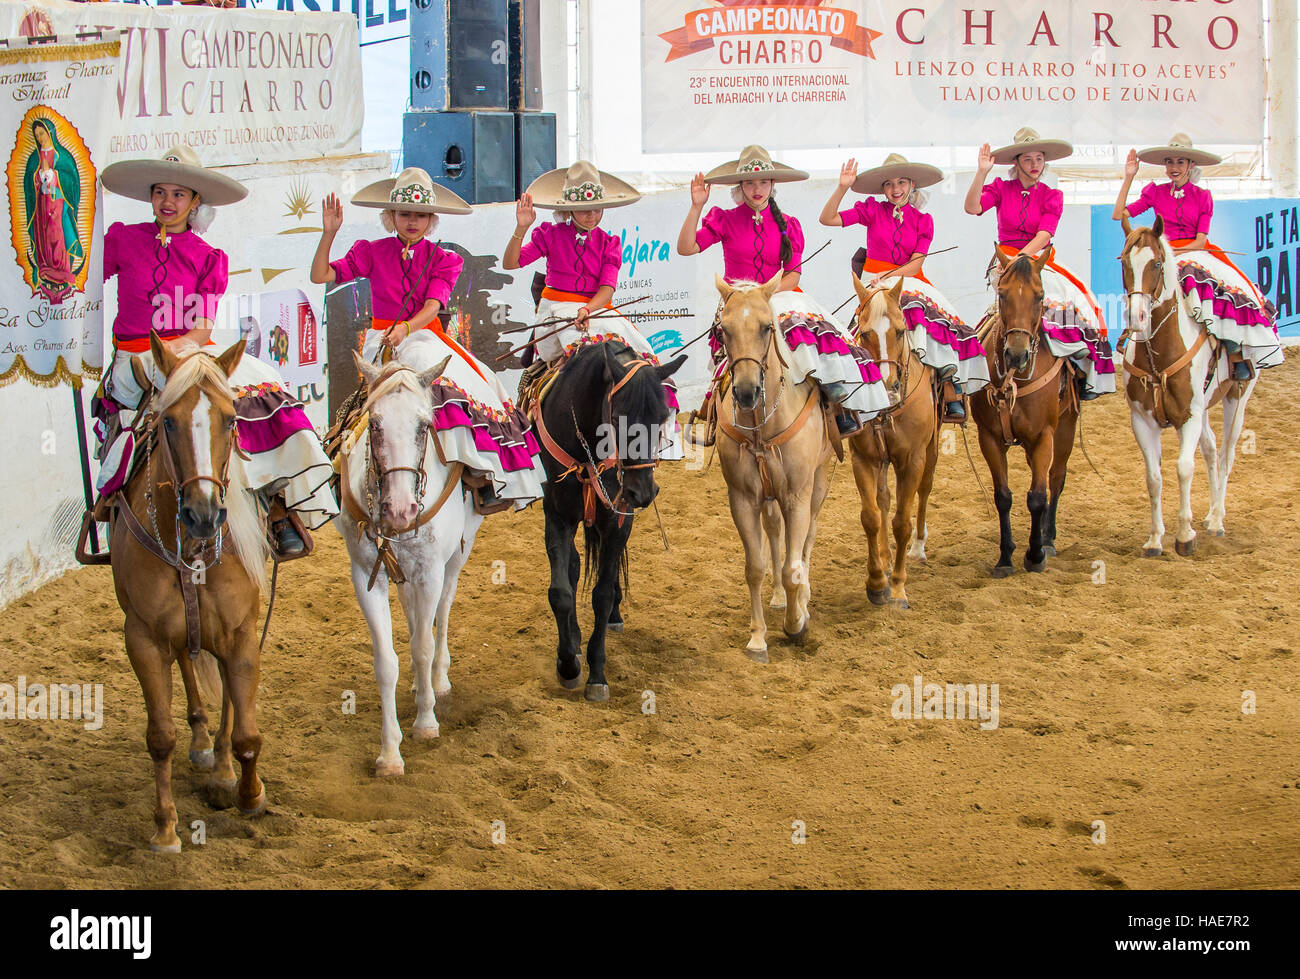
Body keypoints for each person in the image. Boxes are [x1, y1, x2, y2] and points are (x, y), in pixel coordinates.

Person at [95, 145, 336, 557]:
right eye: (160, 192)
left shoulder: (209, 257)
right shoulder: (121, 238)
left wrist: (181, 352)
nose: (167, 202)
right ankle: (111, 500)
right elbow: (81, 281)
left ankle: (277, 506)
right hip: (134, 359)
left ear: (195, 202)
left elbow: (203, 326)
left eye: (178, 194)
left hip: (191, 350)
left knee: (262, 383)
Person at [311, 167, 545, 510]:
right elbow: (320, 275)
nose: (412, 222)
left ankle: (476, 470)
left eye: (420, 215)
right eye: (405, 214)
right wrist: (328, 234)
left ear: (431, 219)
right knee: (365, 409)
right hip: (384, 340)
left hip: (423, 336)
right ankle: (338, 469)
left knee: (479, 381)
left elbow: (434, 307)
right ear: (391, 215)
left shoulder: (443, 260)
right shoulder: (371, 251)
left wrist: (406, 328)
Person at [677, 144, 889, 435]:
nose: (757, 189)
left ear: (772, 184)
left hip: (780, 295)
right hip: (738, 303)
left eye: (763, 181)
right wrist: (696, 206)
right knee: (729, 349)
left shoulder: (788, 224)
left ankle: (835, 406)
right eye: (750, 182)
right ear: (741, 185)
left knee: (812, 338)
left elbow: (793, 274)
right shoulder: (724, 219)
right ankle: (717, 411)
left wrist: (765, 295)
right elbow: (686, 247)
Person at [504, 160, 681, 459]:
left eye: (598, 208)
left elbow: (607, 289)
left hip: (596, 308)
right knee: (578, 356)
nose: (591, 214)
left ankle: (652, 434)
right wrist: (522, 228)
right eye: (585, 208)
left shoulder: (609, 243)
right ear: (568, 208)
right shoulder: (549, 233)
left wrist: (588, 309)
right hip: (556, 308)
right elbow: (511, 262)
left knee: (644, 360)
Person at [821, 153, 988, 422]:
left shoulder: (924, 220)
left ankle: (949, 384)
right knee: (858, 327)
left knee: (937, 318)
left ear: (912, 184)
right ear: (883, 189)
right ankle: (850, 395)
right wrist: (842, 187)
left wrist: (888, 274)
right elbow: (827, 219)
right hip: (874, 282)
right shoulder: (871, 210)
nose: (895, 189)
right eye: (888, 184)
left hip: (909, 279)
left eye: (901, 182)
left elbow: (915, 264)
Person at [1113, 133, 1283, 380]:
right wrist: (1129, 177)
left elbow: (1200, 241)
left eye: (1180, 162)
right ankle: (1136, 334)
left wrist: (1172, 254)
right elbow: (1120, 214)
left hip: (1194, 252)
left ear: (1191, 165)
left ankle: (1234, 350)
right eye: (1170, 162)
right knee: (1142, 283)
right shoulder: (1155, 193)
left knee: (1209, 282)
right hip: (1165, 253)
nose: (1174, 167)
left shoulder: (1202, 196)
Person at [964, 127, 1115, 400]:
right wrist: (982, 172)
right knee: (1008, 304)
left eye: (1039, 159)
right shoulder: (1001, 188)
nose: (1034, 165)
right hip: (1004, 261)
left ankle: (1077, 358)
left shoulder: (1051, 195)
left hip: (1038, 259)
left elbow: (1045, 235)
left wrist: (1021, 258)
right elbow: (972, 207)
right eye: (1028, 159)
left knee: (1072, 299)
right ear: (1016, 162)